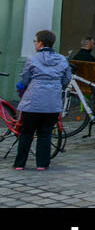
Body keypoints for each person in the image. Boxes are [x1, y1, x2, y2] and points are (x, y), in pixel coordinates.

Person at [13, 30, 71, 171]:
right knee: (45, 134)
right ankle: (42, 164)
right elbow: (66, 79)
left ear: (40, 43)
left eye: (35, 41)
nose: (34, 43)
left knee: (26, 133)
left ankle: (20, 164)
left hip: (32, 102)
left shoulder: (32, 59)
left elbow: (25, 79)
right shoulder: (62, 59)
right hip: (52, 103)